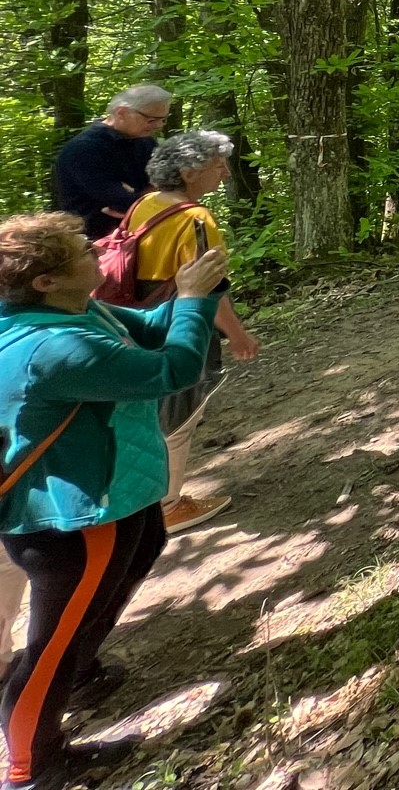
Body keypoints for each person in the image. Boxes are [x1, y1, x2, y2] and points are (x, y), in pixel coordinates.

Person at [0, 211, 228, 788]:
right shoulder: (54, 347)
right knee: (51, 646)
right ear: (46, 280)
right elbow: (170, 368)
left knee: (140, 551)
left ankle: (81, 672)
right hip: (73, 519)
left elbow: (150, 327)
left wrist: (185, 294)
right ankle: (31, 764)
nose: (100, 250)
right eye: (82, 251)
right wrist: (198, 301)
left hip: (120, 494)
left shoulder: (78, 310)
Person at [128, 131, 260, 536]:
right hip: (182, 320)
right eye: (217, 166)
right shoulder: (195, 219)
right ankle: (167, 505)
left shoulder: (145, 204)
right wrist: (237, 334)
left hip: (139, 317)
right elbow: (209, 286)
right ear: (188, 172)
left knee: (150, 409)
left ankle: (144, 496)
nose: (223, 174)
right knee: (180, 413)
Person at [51, 86, 172, 242]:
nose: (159, 125)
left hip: (138, 236)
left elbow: (169, 186)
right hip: (93, 244)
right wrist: (141, 198)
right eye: (151, 119)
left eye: (163, 119)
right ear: (121, 113)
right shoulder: (85, 148)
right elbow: (122, 202)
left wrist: (140, 198)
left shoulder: (145, 142)